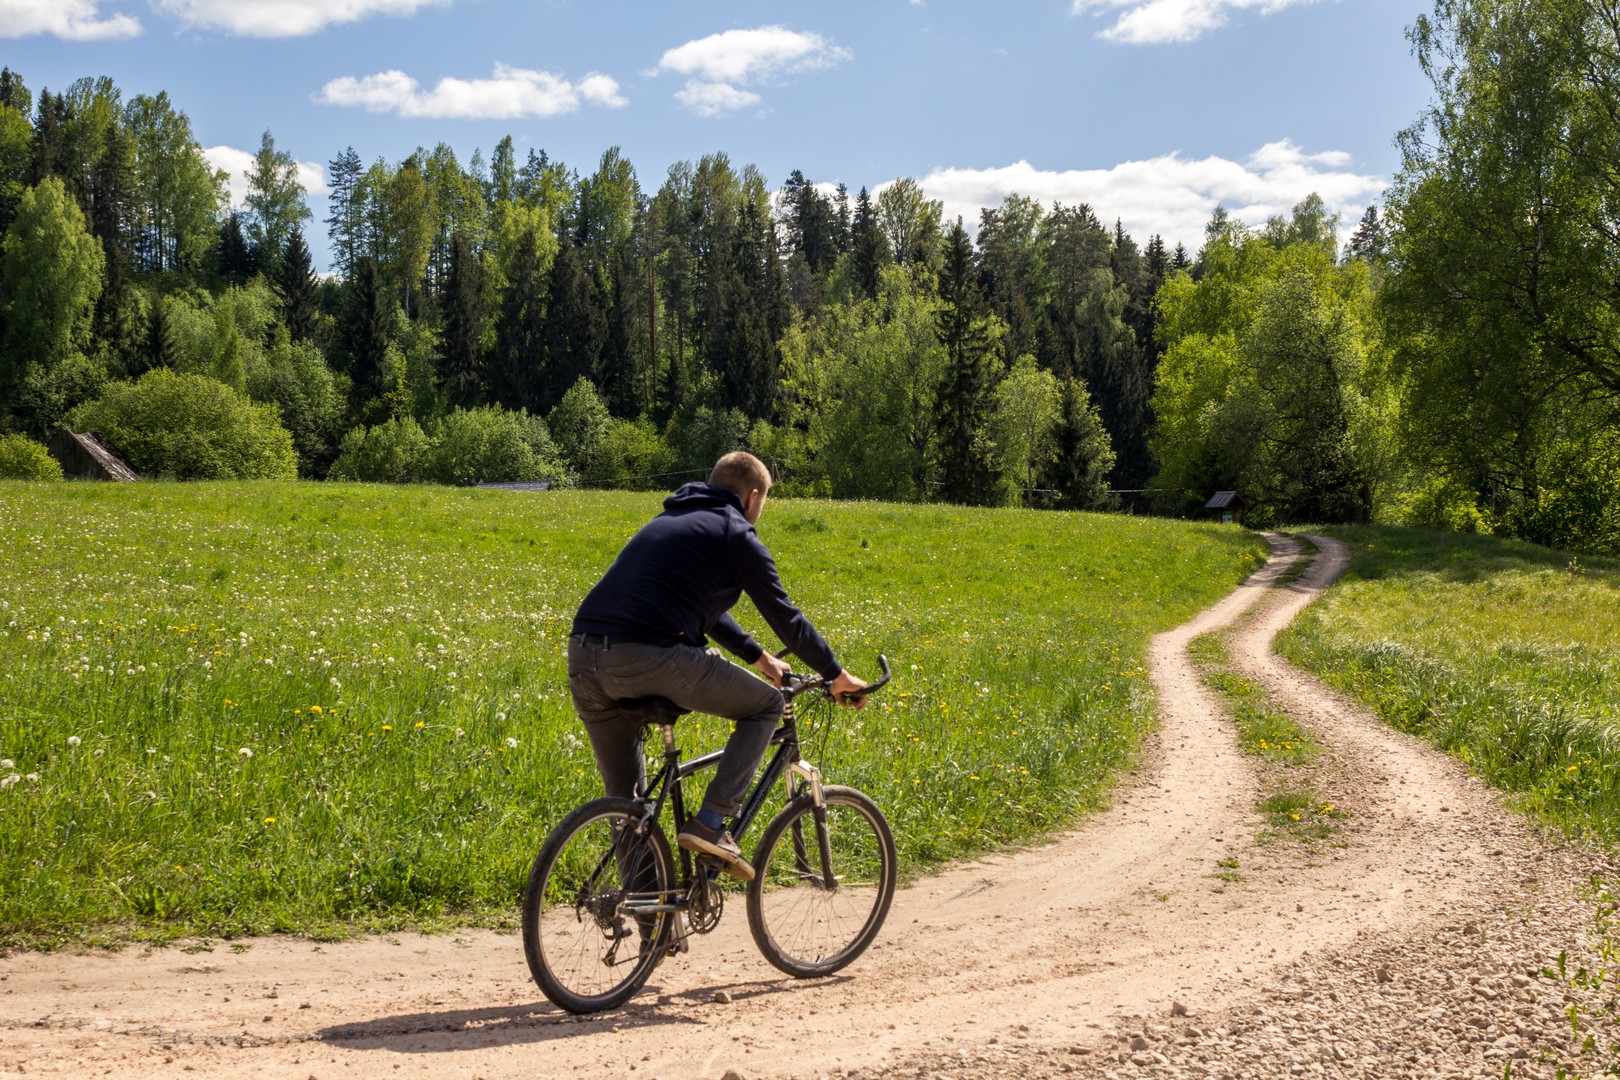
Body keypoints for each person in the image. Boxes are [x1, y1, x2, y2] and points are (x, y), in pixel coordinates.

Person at [568, 451, 868, 881]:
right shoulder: (735, 533)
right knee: (765, 706)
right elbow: (786, 618)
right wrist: (836, 675)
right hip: (646, 655)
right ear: (753, 496)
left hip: (583, 656)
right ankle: (711, 823)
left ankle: (648, 913)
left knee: (630, 807)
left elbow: (706, 613)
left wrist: (760, 658)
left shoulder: (672, 519)